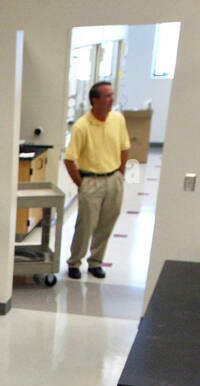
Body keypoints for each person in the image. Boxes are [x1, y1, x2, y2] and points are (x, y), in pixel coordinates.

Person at [62, 81, 130, 280]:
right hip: (90, 181)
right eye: (107, 96)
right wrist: (81, 184)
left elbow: (124, 148)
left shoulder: (118, 119)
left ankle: (96, 262)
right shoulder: (82, 126)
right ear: (95, 100)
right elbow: (69, 159)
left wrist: (120, 174)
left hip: (113, 179)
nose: (111, 99)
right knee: (86, 225)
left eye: (112, 95)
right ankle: (74, 262)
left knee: (107, 223)